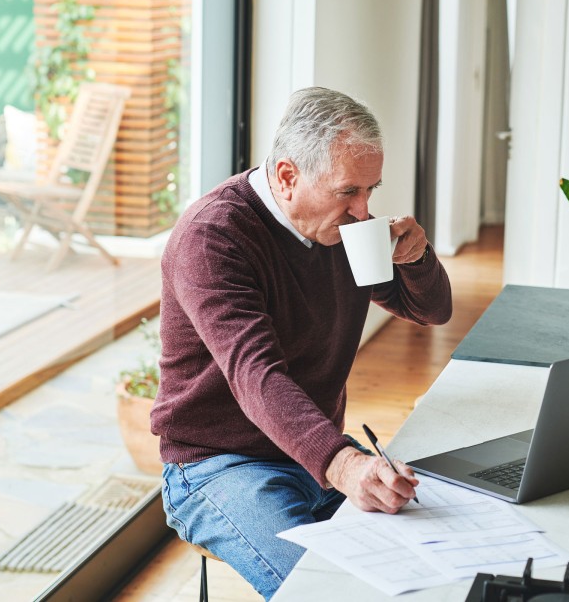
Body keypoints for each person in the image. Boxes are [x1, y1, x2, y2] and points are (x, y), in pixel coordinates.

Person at [152, 87, 452, 600]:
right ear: (288, 177)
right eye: (348, 191)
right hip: (219, 463)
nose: (363, 209)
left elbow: (431, 310)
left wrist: (418, 260)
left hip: (310, 450)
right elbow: (257, 376)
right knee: (330, 591)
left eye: (371, 190)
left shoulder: (343, 231)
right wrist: (344, 464)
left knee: (430, 562)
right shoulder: (213, 238)